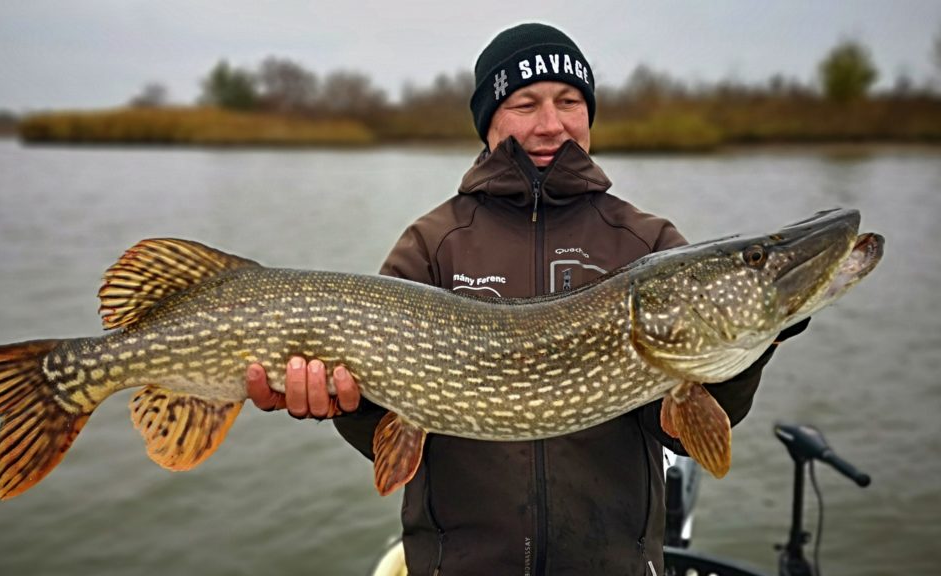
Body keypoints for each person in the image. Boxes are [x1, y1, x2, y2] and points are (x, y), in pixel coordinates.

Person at [246, 22, 807, 575]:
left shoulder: (645, 243)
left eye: (568, 100)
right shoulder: (434, 243)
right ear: (490, 120)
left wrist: (747, 350)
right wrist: (349, 403)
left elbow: (681, 434)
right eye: (524, 103)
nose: (551, 125)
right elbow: (382, 431)